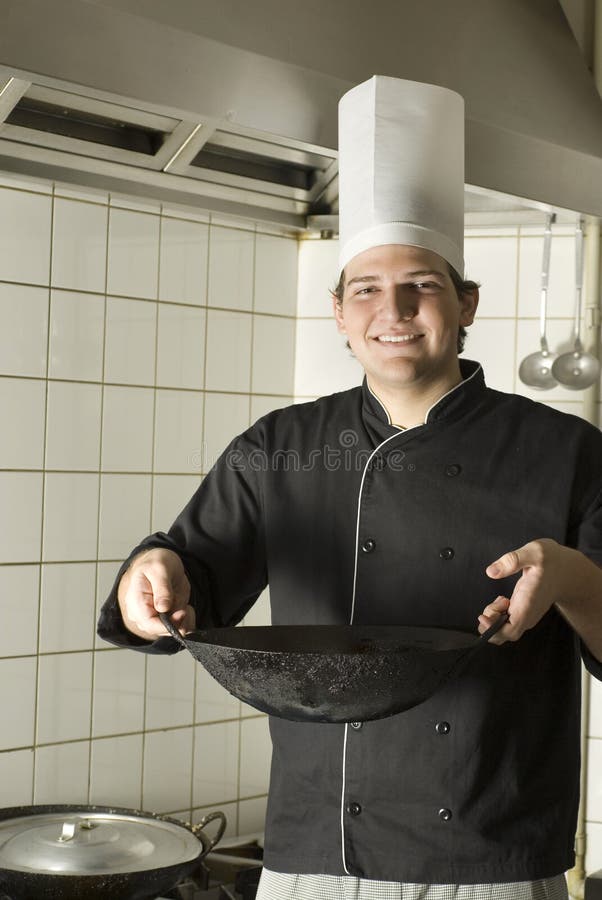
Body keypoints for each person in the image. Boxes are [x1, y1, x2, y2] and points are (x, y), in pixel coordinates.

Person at [98, 76, 602, 900]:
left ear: (467, 304)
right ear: (339, 314)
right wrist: (148, 577)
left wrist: (572, 576)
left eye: (422, 285)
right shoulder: (279, 447)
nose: (392, 309)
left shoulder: (567, 452)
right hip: (313, 853)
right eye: (366, 289)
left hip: (489, 855)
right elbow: (184, 586)